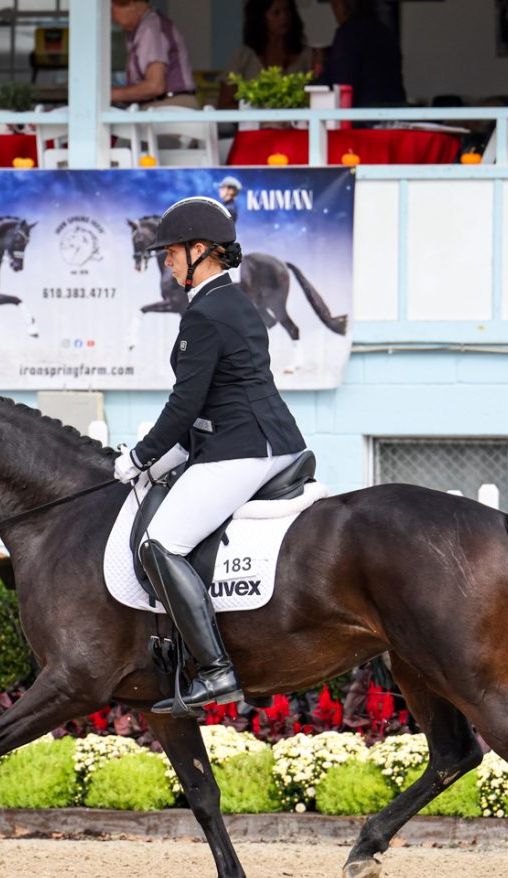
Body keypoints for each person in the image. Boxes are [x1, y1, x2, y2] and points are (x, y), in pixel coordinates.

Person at [113, 196, 307, 714]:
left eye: (172, 253)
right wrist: (174, 455)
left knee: (160, 543)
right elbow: (220, 396)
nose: (167, 262)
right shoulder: (235, 302)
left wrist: (140, 458)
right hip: (268, 439)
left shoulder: (204, 314)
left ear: (201, 251)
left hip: (240, 448)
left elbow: (185, 405)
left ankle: (218, 671)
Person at [217, 0, 313, 109]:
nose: (284, 17)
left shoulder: (306, 55)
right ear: (261, 17)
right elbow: (225, 104)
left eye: (288, 11)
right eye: (276, 13)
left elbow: (315, 99)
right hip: (253, 123)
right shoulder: (242, 55)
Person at [110, 0, 199, 108]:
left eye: (113, 8)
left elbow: (155, 86)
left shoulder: (150, 28)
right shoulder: (141, 28)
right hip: (165, 106)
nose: (111, 16)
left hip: (170, 107)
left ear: (132, 5)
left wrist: (111, 94)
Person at [321, 0, 408, 109]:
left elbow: (342, 85)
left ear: (338, 4)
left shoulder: (348, 35)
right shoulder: (385, 32)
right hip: (394, 116)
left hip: (364, 118)